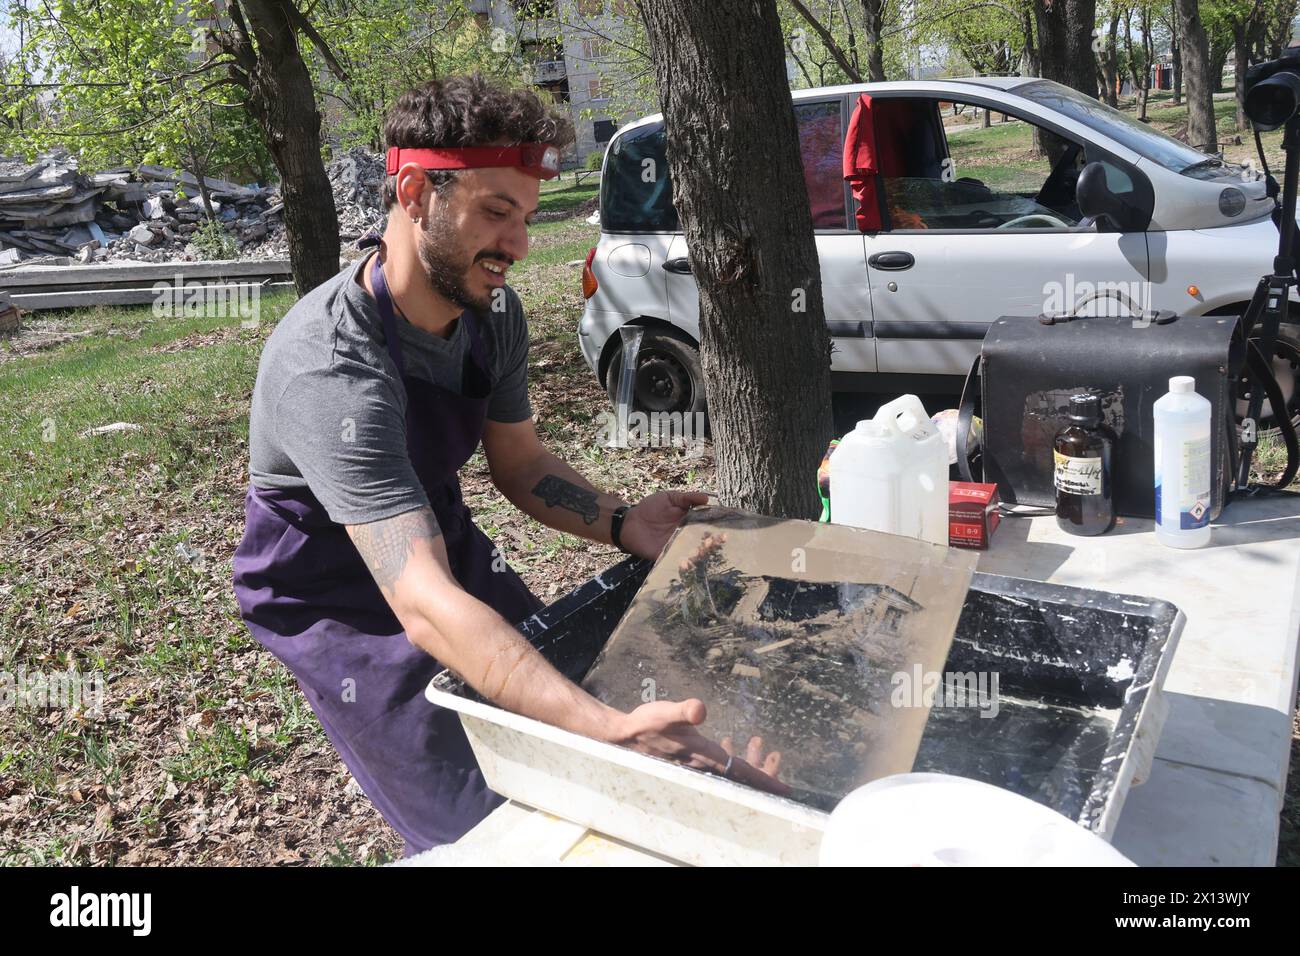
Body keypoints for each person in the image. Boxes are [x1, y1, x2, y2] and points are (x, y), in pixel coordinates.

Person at [231, 75, 783, 856]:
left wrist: (625, 522)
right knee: (478, 807)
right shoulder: (329, 364)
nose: (520, 245)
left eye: (524, 216)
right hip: (335, 592)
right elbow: (421, 606)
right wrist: (611, 738)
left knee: (577, 686)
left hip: (436, 547)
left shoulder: (493, 317)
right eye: (496, 212)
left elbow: (519, 463)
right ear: (416, 191)